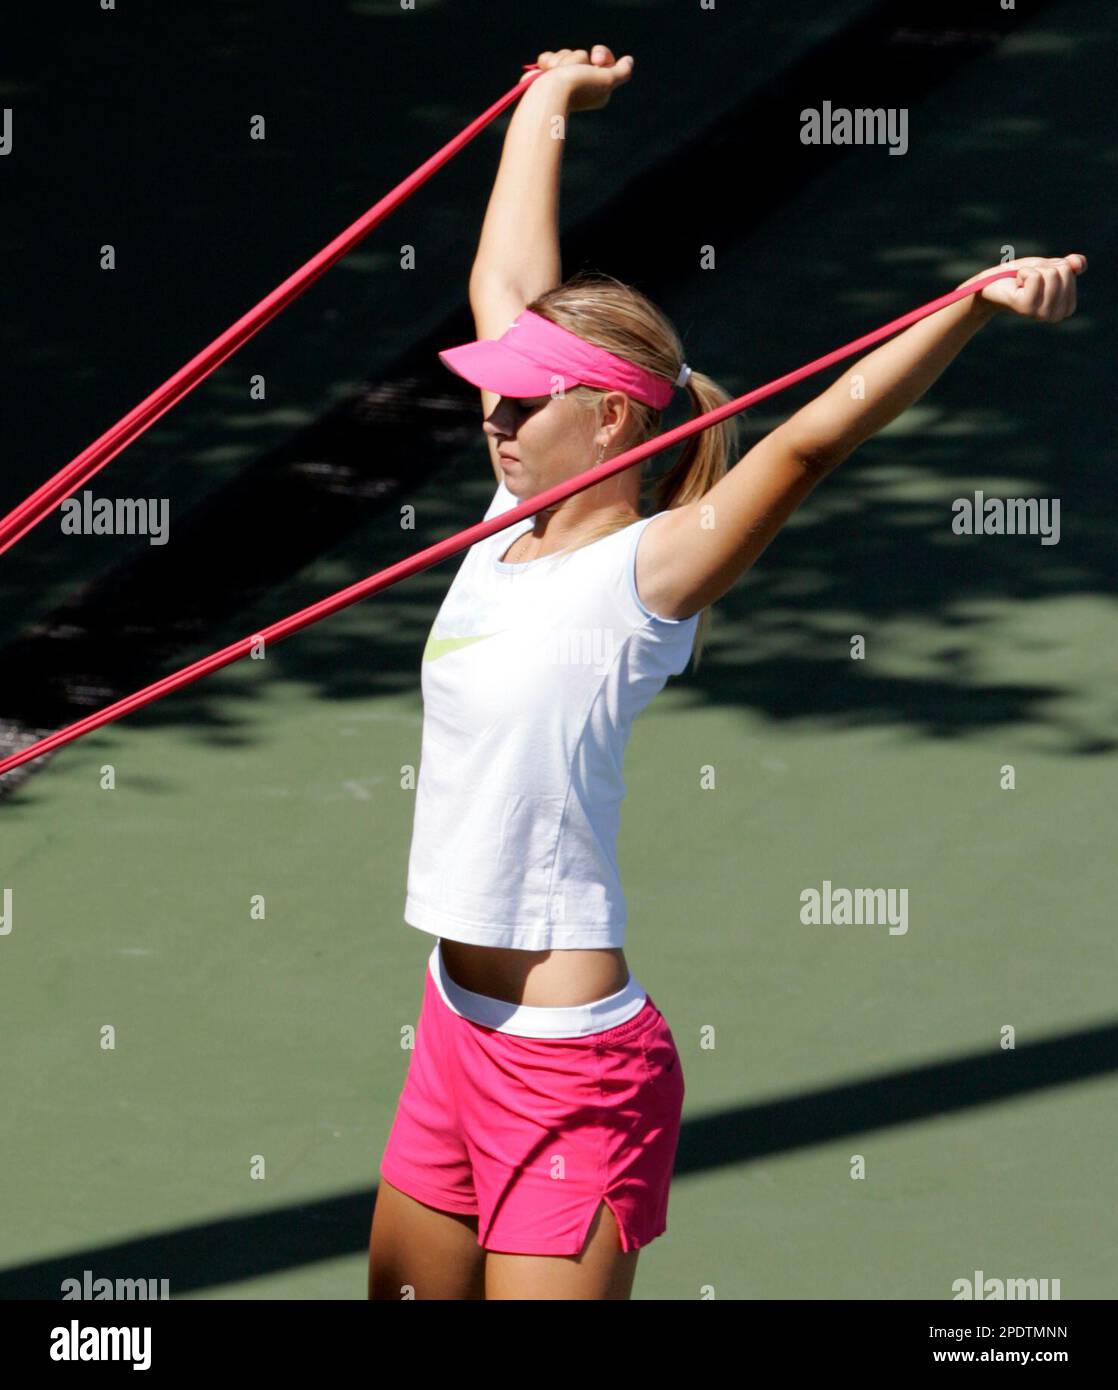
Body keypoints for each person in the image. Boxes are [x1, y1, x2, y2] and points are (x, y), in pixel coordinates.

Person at [367, 45, 1085, 1301]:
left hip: (570, 1069)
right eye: (494, 398)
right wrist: (544, 104)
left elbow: (810, 442)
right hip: (453, 1026)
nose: (492, 418)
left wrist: (966, 306)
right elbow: (506, 278)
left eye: (521, 403)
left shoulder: (648, 578)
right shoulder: (508, 504)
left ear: (613, 419)